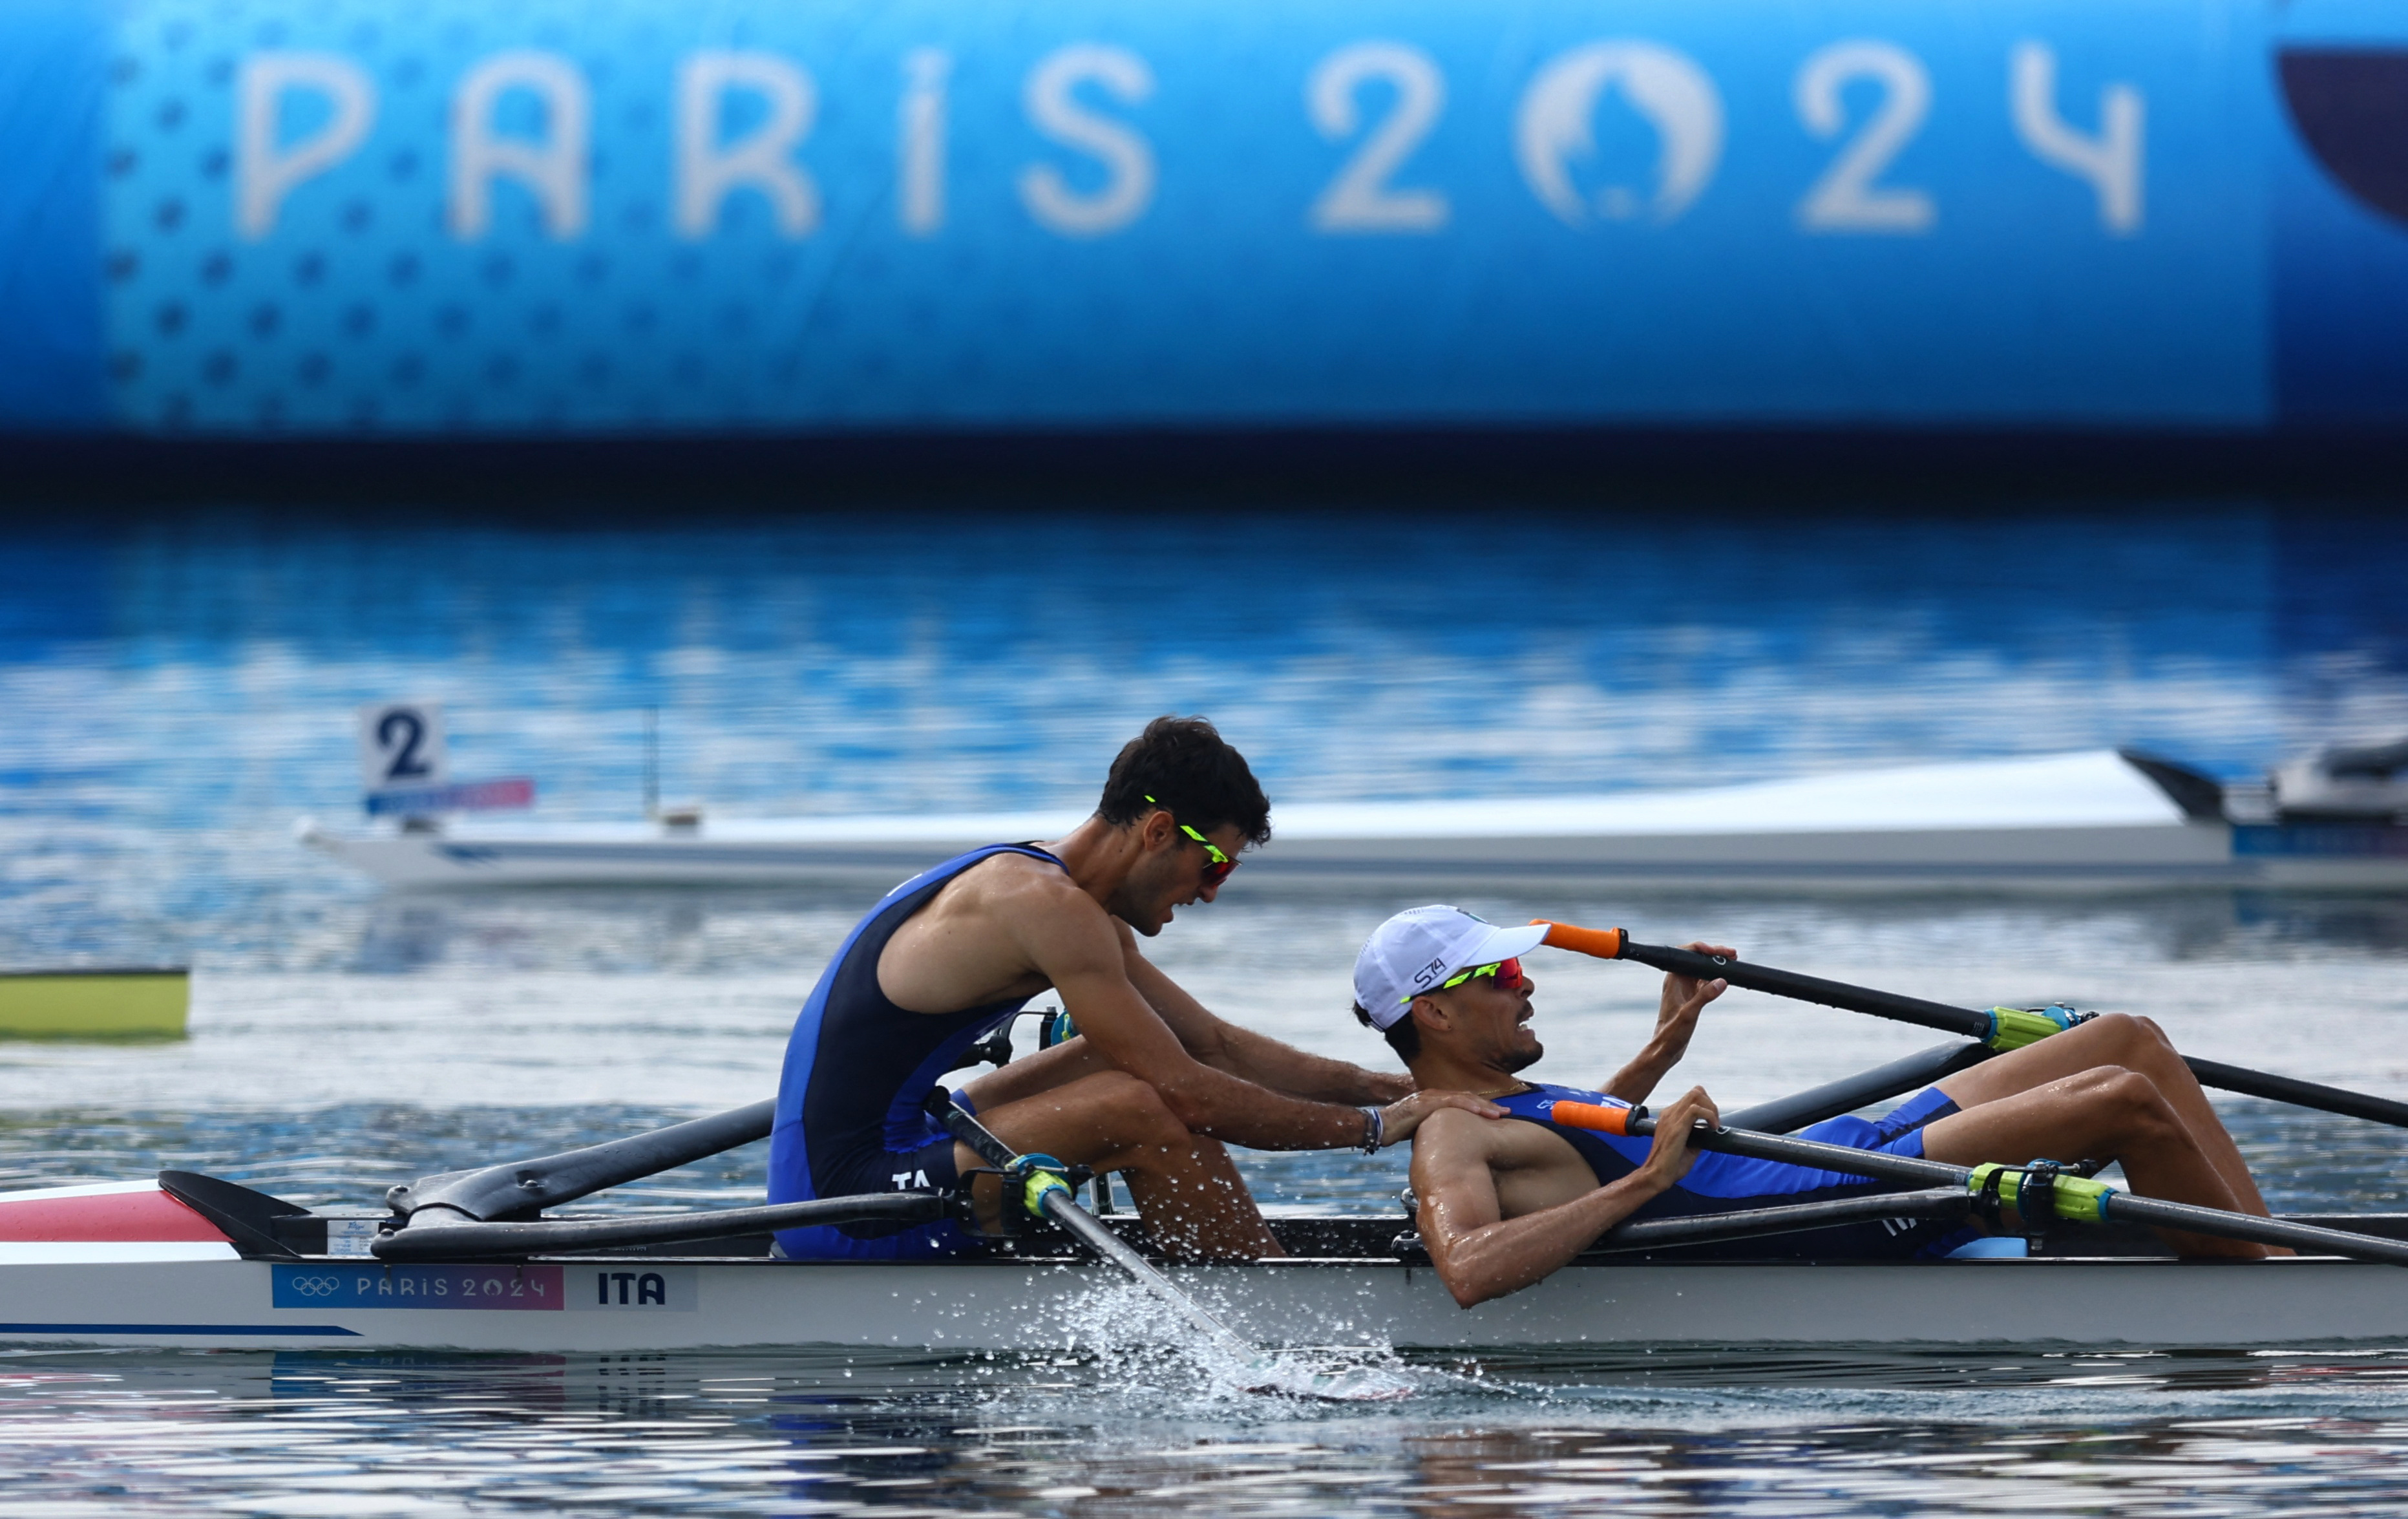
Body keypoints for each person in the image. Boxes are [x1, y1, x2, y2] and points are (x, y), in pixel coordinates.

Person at [767, 717, 1502, 1263]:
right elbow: (1192, 1095)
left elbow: (1212, 1046)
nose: (1210, 893)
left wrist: (1400, 1089)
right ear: (1157, 831)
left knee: (1125, 1057)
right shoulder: (1045, 908)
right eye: (1214, 866)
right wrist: (1378, 1128)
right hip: (843, 1204)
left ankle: (1235, 1261)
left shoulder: (1054, 890)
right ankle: (1275, 1310)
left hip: (899, 1144)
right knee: (1142, 1106)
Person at [1351, 904, 2283, 1308]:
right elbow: (1465, 1269)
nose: (1526, 985)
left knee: (2126, 1038)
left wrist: (1668, 1039)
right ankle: (2280, 1295)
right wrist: (1643, 1186)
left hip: (1825, 1153)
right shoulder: (1448, 1134)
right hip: (1819, 1206)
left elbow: (1576, 1142)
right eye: (1501, 974)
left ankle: (2271, 1251)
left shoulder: (1497, 1102)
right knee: (2121, 1101)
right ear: (1434, 1011)